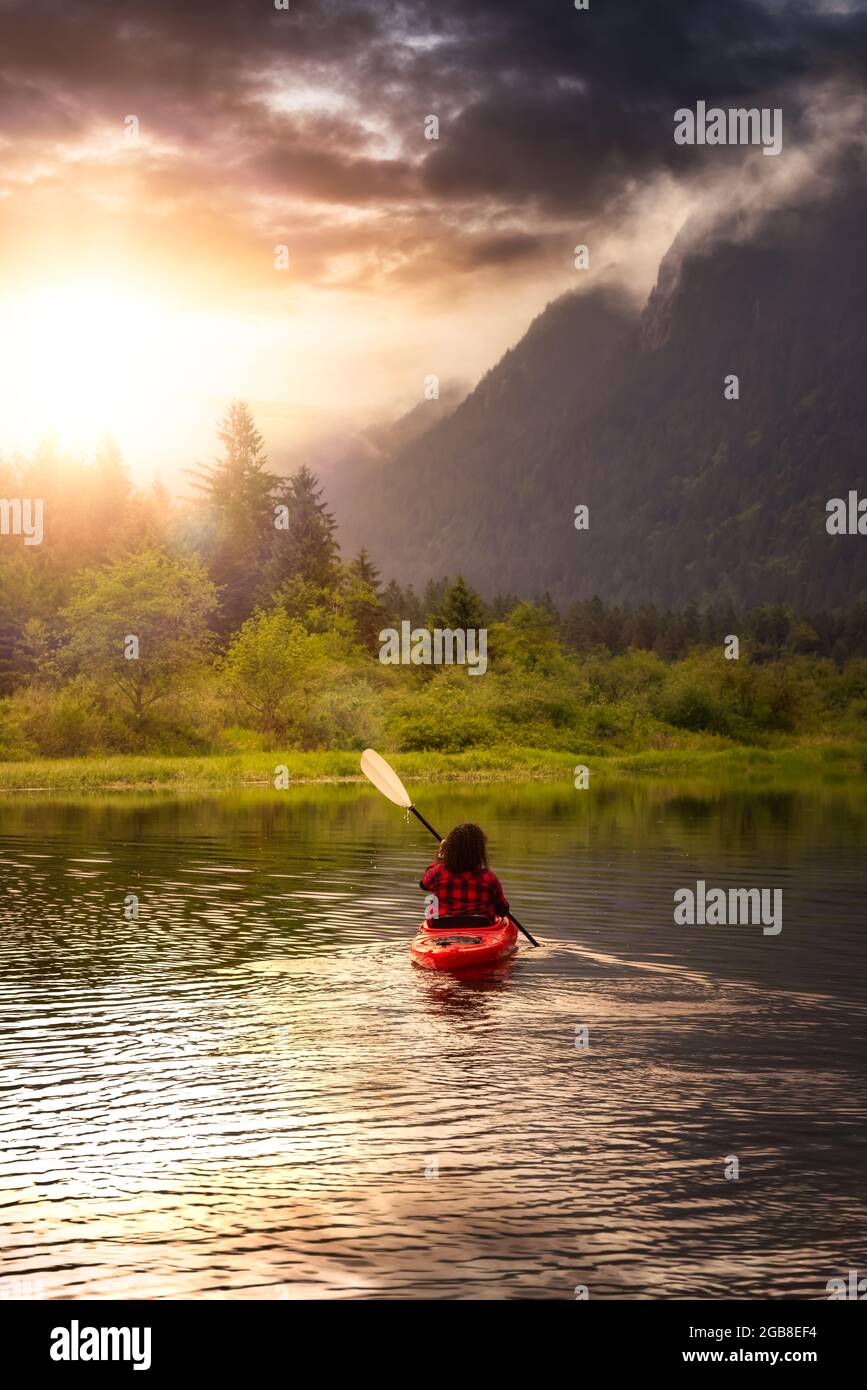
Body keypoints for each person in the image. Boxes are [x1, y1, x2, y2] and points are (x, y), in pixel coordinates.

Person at [419, 822, 510, 925]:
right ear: (479, 851)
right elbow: (502, 910)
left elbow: (423, 884)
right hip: (481, 930)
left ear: (450, 849)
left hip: (441, 928)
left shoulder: (438, 872)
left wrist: (441, 855)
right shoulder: (488, 877)